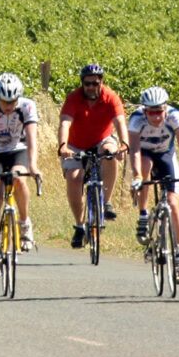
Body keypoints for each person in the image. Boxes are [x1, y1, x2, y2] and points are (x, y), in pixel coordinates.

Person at [127, 85, 179, 284]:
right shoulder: (136, 119)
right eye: (151, 112)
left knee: (174, 205)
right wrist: (138, 175)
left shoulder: (175, 117)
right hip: (146, 154)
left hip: (166, 155)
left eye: (159, 111)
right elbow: (135, 150)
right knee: (146, 166)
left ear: (165, 109)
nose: (156, 117)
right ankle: (143, 214)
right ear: (145, 111)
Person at [57, 62, 128, 249]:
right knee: (74, 178)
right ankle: (80, 226)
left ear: (101, 82)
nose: (91, 87)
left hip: (102, 140)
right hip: (75, 145)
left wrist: (124, 144)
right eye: (87, 83)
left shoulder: (110, 97)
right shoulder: (73, 98)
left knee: (110, 154)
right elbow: (65, 123)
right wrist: (63, 145)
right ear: (82, 83)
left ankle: (106, 202)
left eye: (95, 83)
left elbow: (120, 122)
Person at [0, 72, 40, 276]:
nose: (8, 106)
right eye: (4, 101)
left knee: (19, 179)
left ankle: (24, 223)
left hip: (18, 150)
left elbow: (31, 138)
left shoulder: (27, 106)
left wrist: (33, 164)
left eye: (12, 101)